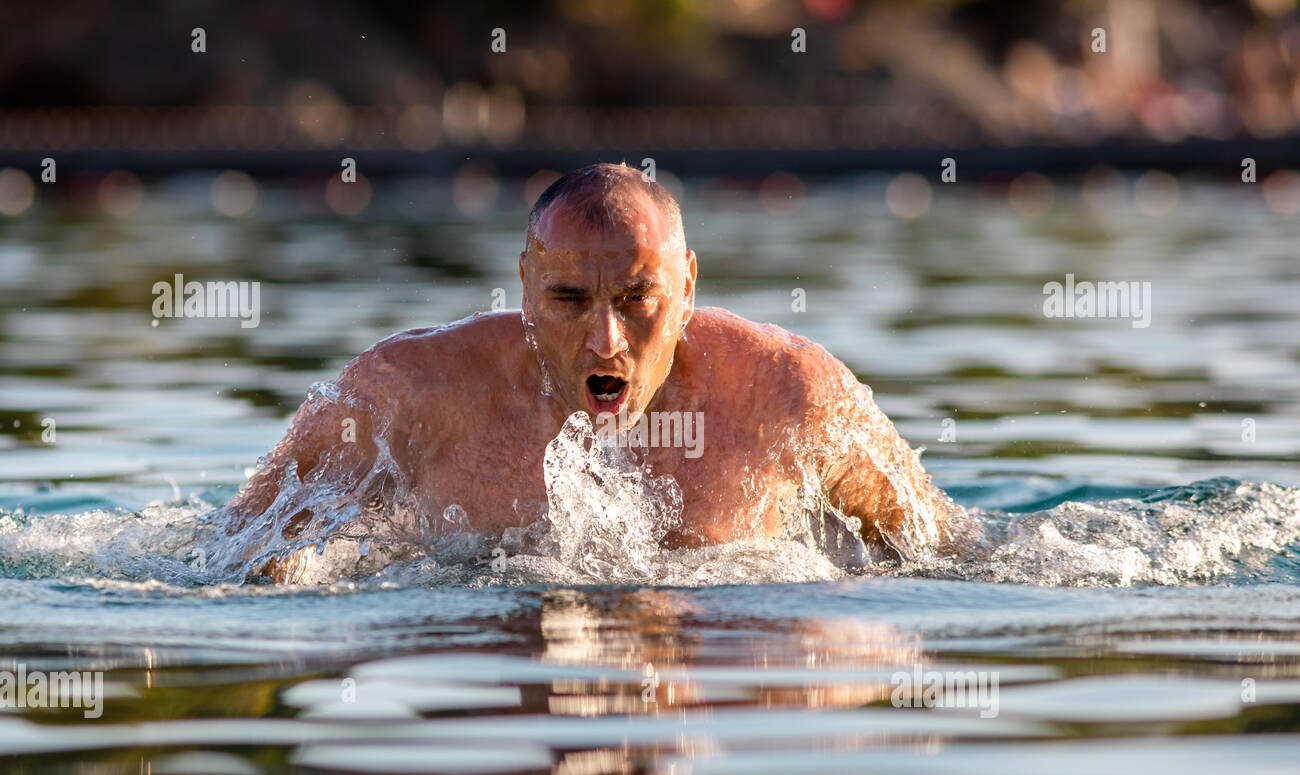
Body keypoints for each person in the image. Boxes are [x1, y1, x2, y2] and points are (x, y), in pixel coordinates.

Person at [225, 163, 970, 582]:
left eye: (636, 299)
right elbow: (227, 563)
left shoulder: (791, 395)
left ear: (686, 288)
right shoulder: (404, 395)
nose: (605, 339)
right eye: (569, 300)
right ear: (524, 287)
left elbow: (955, 557)